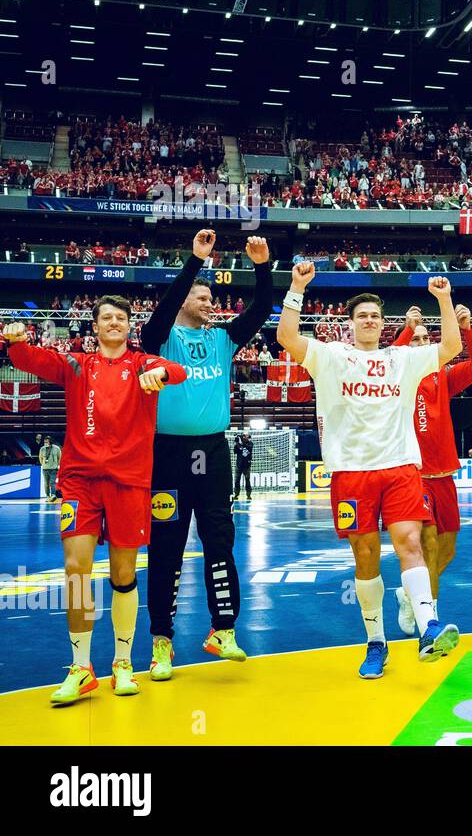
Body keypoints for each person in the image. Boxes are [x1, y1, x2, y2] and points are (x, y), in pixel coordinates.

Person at [278, 263, 463, 678]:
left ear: (383, 324)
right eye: (362, 316)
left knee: (410, 542)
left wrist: (444, 299)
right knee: (365, 557)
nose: (369, 321)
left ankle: (428, 627)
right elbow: (286, 337)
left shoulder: (403, 358)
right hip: (351, 472)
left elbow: (451, 347)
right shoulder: (331, 356)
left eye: (375, 316)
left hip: (399, 467)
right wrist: (296, 287)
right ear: (351, 323)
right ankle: (375, 642)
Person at [4, 299, 187, 704]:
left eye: (121, 318)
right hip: (79, 481)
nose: (114, 322)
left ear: (128, 325)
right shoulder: (76, 365)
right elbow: (33, 359)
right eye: (107, 317)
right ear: (95, 325)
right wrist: (14, 343)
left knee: (123, 575)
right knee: (75, 570)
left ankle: (123, 662)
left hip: (129, 482)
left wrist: (160, 371)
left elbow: (178, 370)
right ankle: (81, 668)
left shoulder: (142, 363)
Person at [139, 229, 273, 680]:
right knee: (167, 548)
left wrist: (262, 266)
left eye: (212, 297)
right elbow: (159, 316)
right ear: (182, 300)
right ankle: (161, 641)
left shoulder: (224, 340)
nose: (210, 302)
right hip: (169, 453)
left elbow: (260, 310)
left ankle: (224, 630)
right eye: (201, 296)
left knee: (220, 539)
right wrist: (195, 262)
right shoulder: (161, 339)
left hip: (214, 450)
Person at [390, 302, 472, 637]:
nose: (419, 345)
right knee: (429, 544)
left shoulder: (443, 377)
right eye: (413, 340)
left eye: (423, 340)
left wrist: (467, 328)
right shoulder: (397, 378)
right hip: (413, 475)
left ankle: (410, 593)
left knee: (447, 549)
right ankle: (428, 618)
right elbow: (387, 360)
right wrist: (406, 329)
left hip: (444, 475)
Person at [38, 435, 61, 502]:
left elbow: (59, 457)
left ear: (50, 442)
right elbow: (40, 457)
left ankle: (53, 495)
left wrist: (57, 464)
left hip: (53, 468)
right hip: (45, 468)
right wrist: (43, 464)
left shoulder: (56, 448)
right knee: (46, 483)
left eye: (47, 442)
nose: (45, 443)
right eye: (44, 442)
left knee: (52, 482)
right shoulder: (42, 449)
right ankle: (47, 496)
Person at [233, 433, 254, 500]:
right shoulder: (239, 444)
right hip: (238, 465)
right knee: (237, 481)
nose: (244, 437)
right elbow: (235, 451)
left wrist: (241, 442)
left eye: (245, 436)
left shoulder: (250, 443)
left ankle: (248, 495)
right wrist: (237, 443)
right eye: (243, 436)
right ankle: (236, 494)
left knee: (247, 480)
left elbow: (249, 448)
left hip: (247, 466)